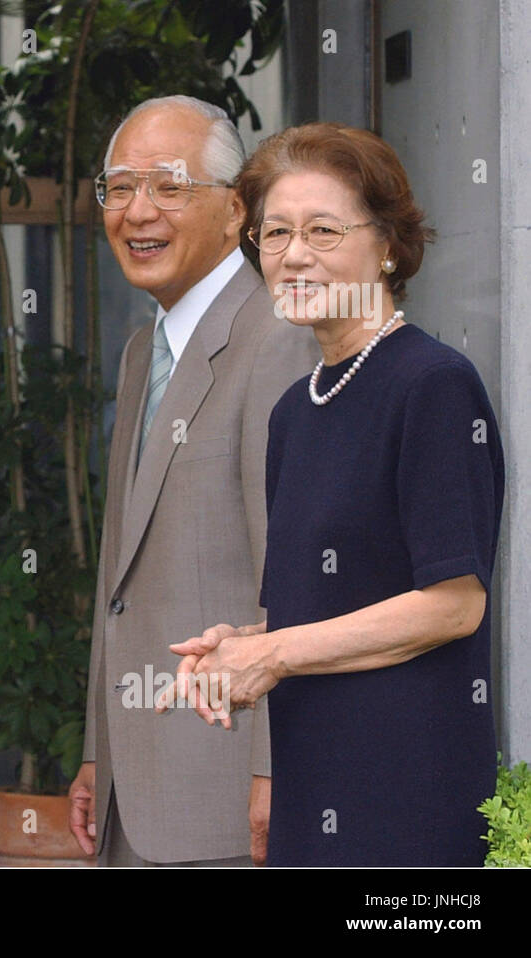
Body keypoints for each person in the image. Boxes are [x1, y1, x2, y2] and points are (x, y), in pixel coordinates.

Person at [164, 122, 504, 866]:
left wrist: (277, 652)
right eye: (274, 232)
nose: (293, 255)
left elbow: (454, 603)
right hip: (314, 778)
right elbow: (328, 607)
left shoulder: (433, 385)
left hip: (409, 789)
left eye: (322, 229)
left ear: (387, 245)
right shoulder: (298, 407)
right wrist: (242, 646)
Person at [66, 95, 321, 866]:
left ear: (235, 209)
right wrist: (95, 751)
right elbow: (123, 578)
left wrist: (279, 769)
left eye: (169, 186)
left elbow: (296, 578)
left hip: (226, 797)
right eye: (118, 187)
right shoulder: (144, 352)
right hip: (132, 788)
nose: (137, 211)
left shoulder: (278, 337)